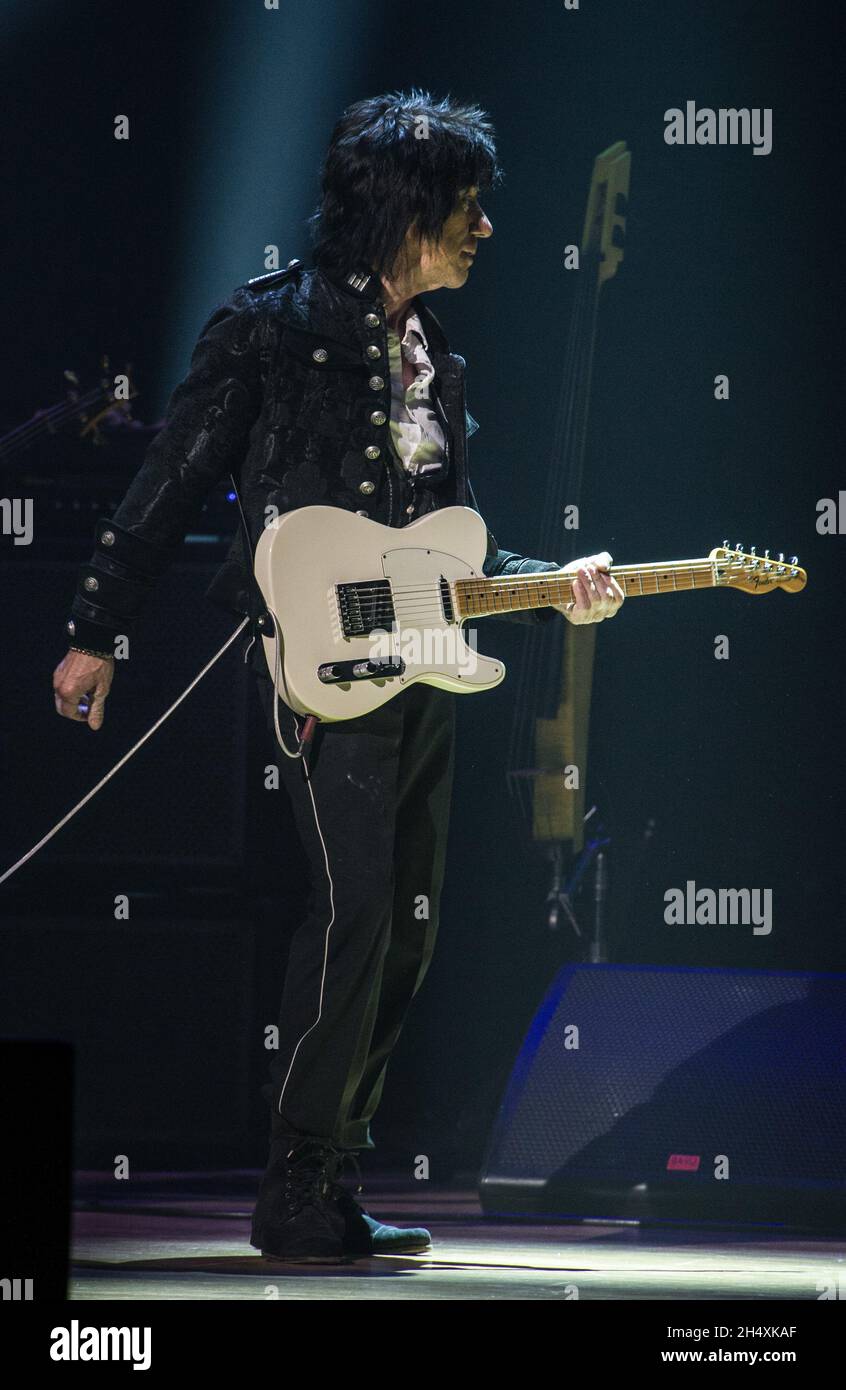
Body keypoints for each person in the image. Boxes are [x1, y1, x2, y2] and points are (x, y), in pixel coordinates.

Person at [52, 90, 624, 1262]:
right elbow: (170, 475)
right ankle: (293, 1186)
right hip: (325, 659)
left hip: (423, 660)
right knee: (356, 908)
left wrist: (551, 578)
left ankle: (332, 1177)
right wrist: (98, 626)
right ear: (408, 209)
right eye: (466, 206)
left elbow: (452, 541)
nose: (485, 229)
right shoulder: (271, 325)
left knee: (405, 929)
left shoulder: (439, 359)